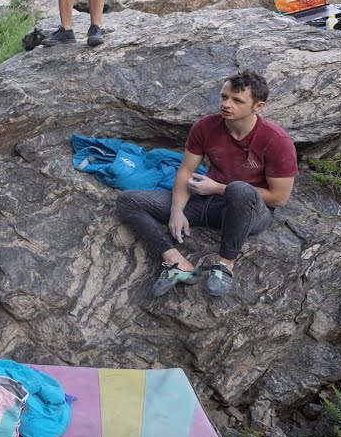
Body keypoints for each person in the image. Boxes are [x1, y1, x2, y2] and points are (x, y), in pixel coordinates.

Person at [115, 71, 297, 298]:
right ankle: (176, 261)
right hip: (208, 202)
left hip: (250, 211)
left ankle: (225, 264)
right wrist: (177, 211)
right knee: (128, 200)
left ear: (258, 106)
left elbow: (279, 198)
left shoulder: (277, 141)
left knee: (239, 189)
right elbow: (186, 170)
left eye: (237, 100)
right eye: (224, 97)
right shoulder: (205, 127)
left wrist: (219, 188)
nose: (226, 104)